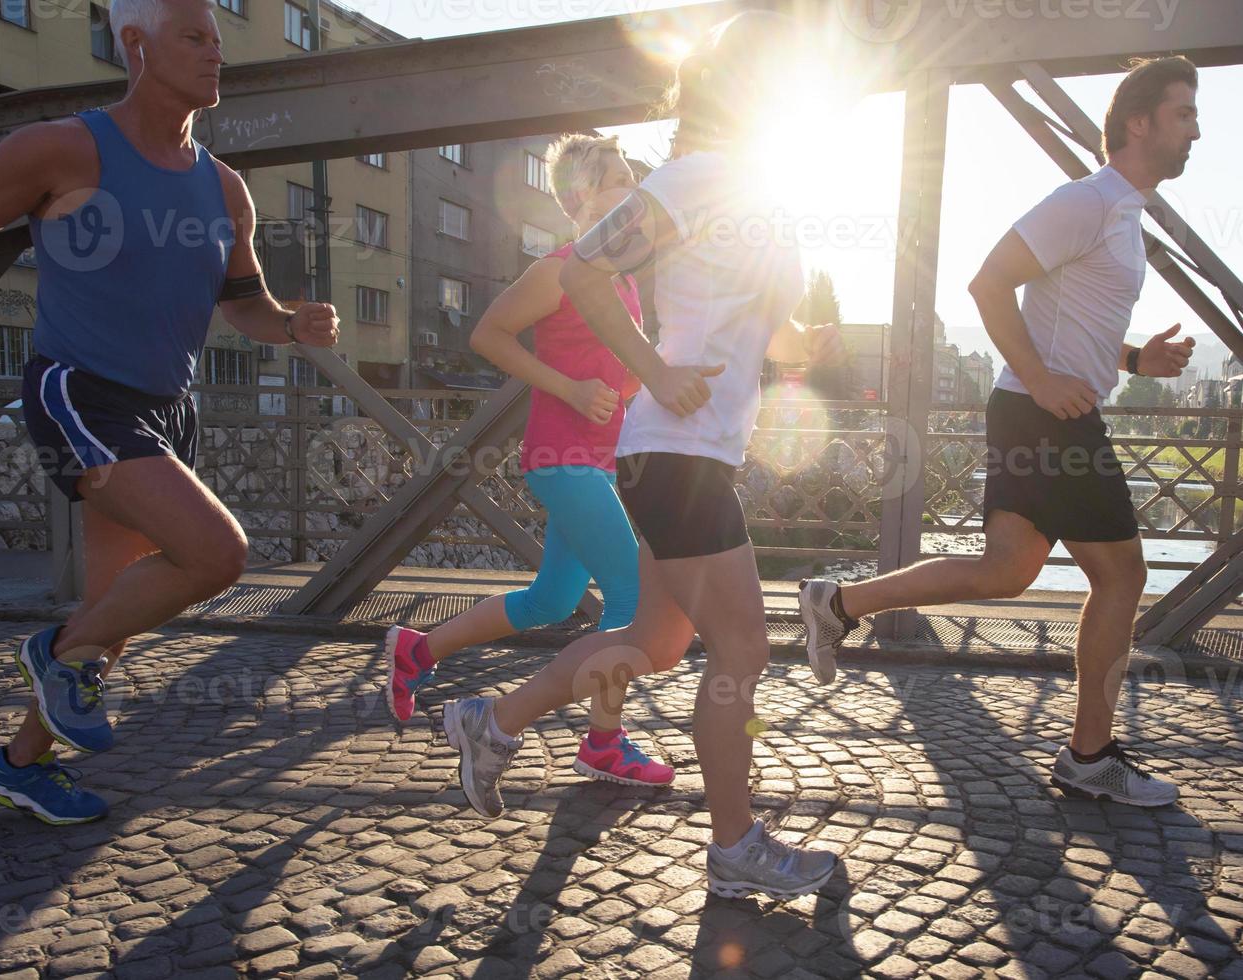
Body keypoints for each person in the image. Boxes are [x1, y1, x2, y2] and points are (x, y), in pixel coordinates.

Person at [440, 11, 848, 899]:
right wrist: (653, 370)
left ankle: (491, 721)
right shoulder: (698, 176)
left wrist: (796, 344)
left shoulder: (746, 190)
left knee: (653, 641)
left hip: (694, 451)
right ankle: (736, 848)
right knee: (742, 650)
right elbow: (585, 270)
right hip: (674, 453)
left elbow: (744, 327)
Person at [0, 0, 339, 824]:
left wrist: (290, 327)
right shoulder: (63, 146)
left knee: (110, 614)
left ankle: (21, 765)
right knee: (217, 554)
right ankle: (45, 655)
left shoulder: (225, 186)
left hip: (170, 408)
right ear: (135, 45)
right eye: (194, 37)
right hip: (80, 392)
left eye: (217, 42)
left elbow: (246, 304)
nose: (214, 55)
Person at [800, 56, 1200, 808]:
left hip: (1034, 411)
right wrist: (1045, 382)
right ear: (1139, 122)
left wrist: (1132, 357)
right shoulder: (1086, 200)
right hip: (1048, 416)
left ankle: (839, 603)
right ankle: (1089, 756)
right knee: (1122, 577)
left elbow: (1069, 320)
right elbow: (987, 282)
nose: (1196, 132)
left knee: (1005, 571)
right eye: (1184, 115)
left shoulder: (1118, 214)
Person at [385, 134, 673, 787]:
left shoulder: (622, 280)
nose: (632, 191)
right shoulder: (558, 267)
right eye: (616, 181)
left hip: (596, 458)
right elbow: (487, 333)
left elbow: (619, 371)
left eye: (632, 179)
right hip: (560, 453)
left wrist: (641, 381)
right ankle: (604, 741)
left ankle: (417, 650)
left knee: (551, 598)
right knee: (630, 592)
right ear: (579, 197)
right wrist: (569, 388)